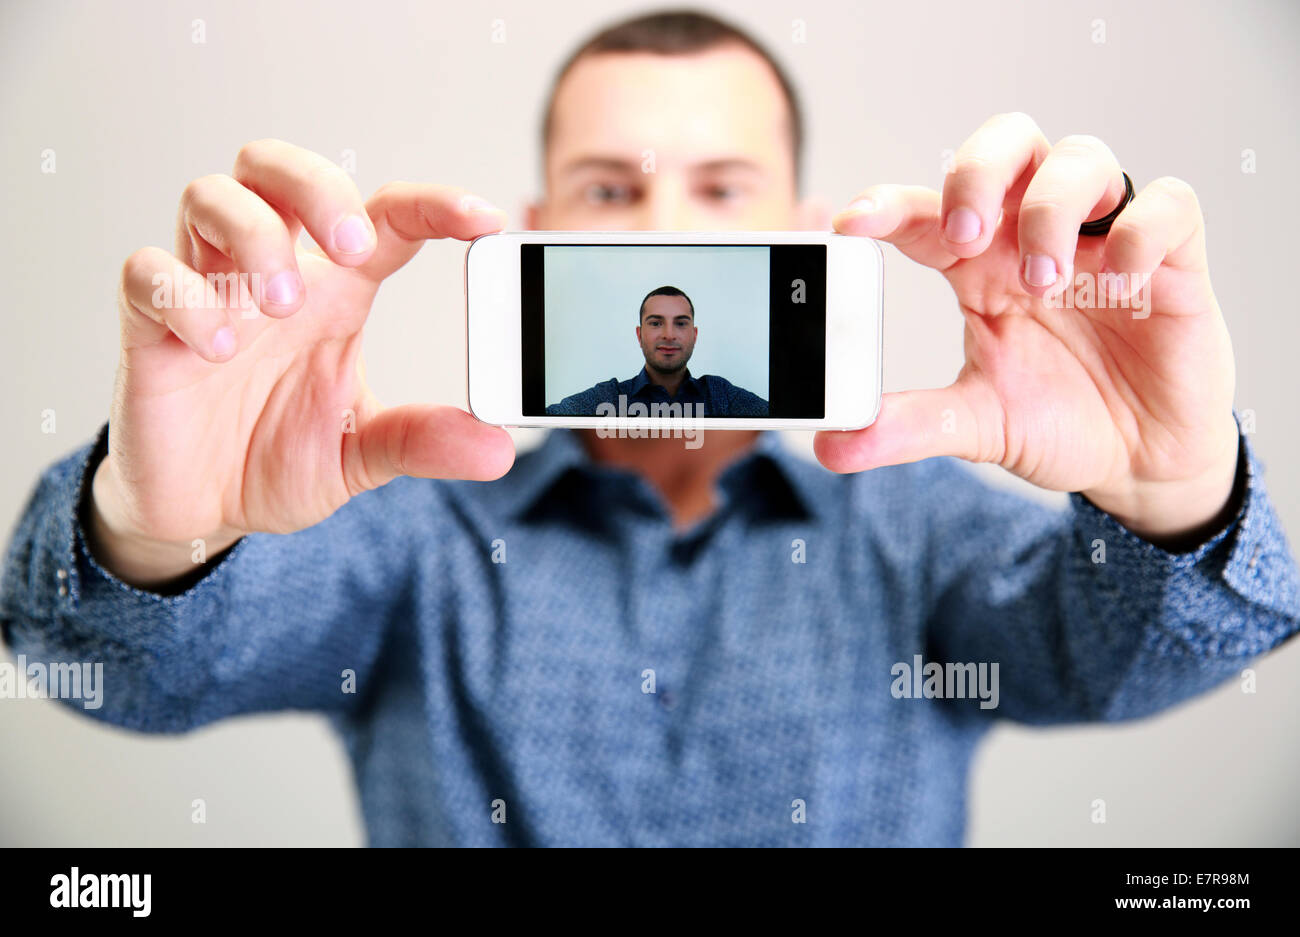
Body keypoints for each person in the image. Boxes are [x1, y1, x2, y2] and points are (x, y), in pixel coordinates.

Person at [2, 10, 1297, 846]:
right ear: (541, 225)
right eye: (609, 189)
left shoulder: (920, 527)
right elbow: (112, 672)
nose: (656, 233)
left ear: (797, 222)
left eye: (722, 190)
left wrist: (1170, 485)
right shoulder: (407, 534)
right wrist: (152, 526)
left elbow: (1137, 662)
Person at [545, 285, 769, 417]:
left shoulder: (720, 396)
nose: (669, 335)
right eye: (656, 323)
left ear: (695, 335)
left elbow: (777, 413)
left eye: (681, 323)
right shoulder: (610, 398)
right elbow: (548, 415)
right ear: (639, 335)